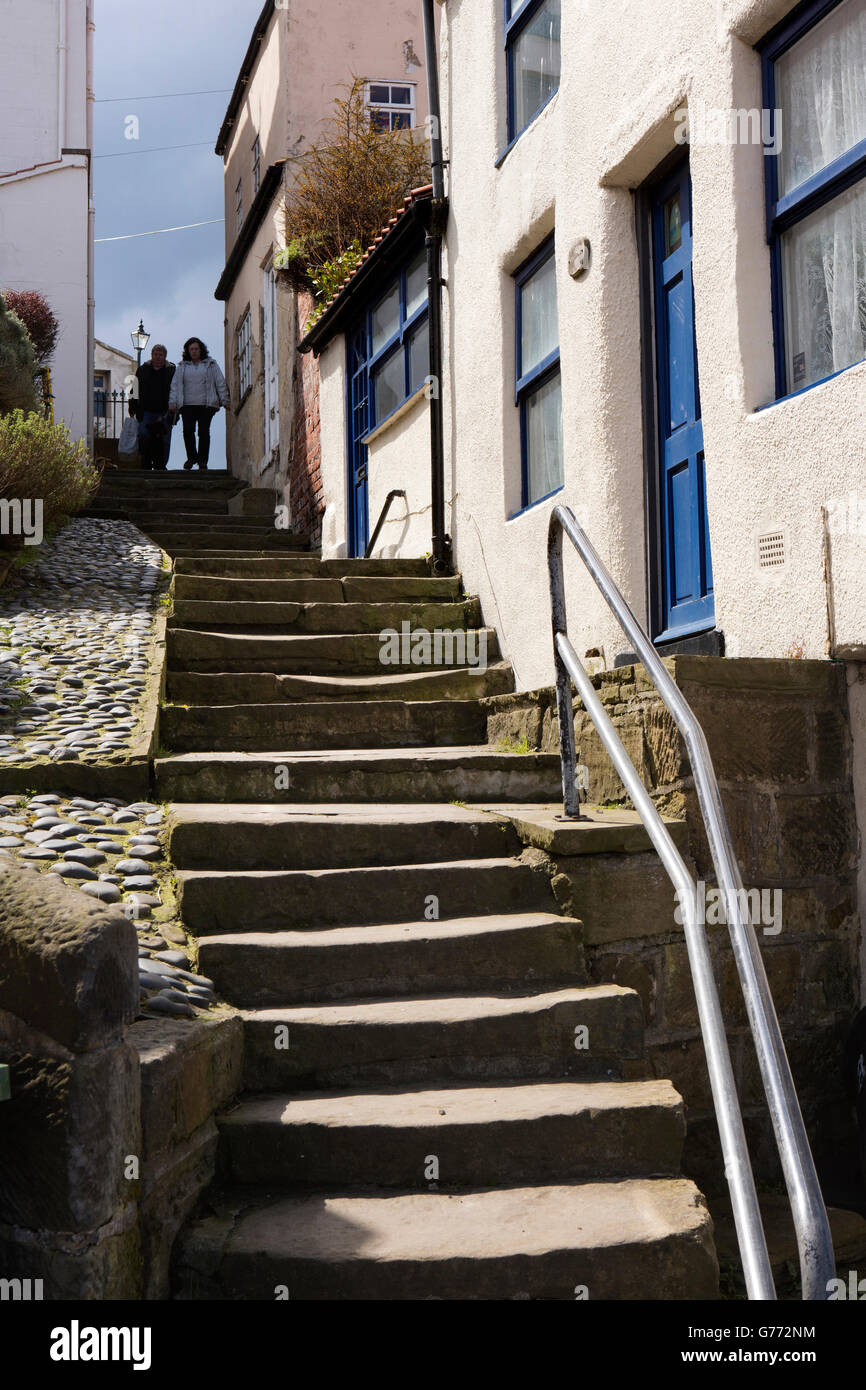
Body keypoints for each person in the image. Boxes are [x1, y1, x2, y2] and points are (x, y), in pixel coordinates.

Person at [168, 337, 230, 471]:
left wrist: (225, 400)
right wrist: (172, 402)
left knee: (203, 432)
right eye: (191, 349)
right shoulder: (182, 367)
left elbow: (220, 382)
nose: (194, 351)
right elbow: (175, 386)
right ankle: (191, 458)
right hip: (187, 405)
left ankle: (202, 461)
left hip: (206, 405)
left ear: (201, 350)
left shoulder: (211, 365)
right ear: (188, 351)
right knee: (188, 431)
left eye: (196, 349)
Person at [129, 344, 175, 470]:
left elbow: (176, 389)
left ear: (165, 357)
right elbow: (135, 389)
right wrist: (132, 407)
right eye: (156, 354)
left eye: (161, 355)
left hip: (165, 411)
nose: (158, 357)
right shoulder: (143, 370)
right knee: (143, 435)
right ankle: (146, 462)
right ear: (152, 355)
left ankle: (161, 465)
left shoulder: (171, 371)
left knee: (165, 439)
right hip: (146, 411)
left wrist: (175, 407)